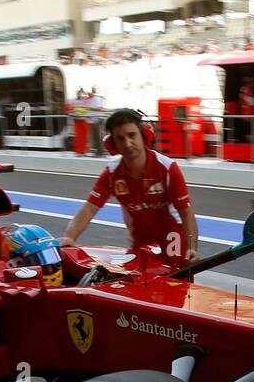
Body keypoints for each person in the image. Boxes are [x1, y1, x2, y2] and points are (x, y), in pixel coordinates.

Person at [60, 109, 199, 268]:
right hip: (140, 243)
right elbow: (89, 209)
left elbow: (186, 213)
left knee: (178, 287)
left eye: (132, 135)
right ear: (112, 144)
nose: (127, 143)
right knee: (141, 287)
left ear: (144, 135)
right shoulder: (112, 173)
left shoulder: (167, 168)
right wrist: (69, 238)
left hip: (174, 240)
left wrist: (191, 248)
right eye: (120, 138)